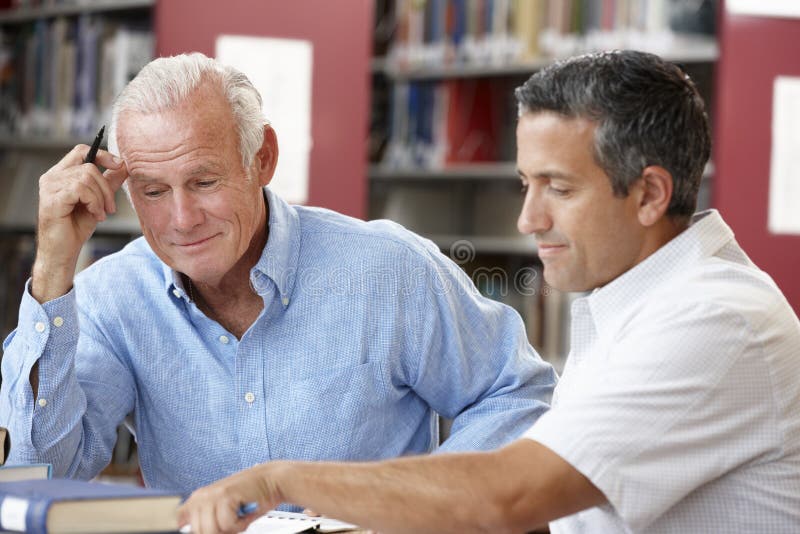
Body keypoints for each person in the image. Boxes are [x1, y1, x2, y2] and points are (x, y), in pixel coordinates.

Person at [178, 50, 800, 534]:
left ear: (649, 195)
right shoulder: (638, 303)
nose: (529, 220)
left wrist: (279, 480)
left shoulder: (715, 321)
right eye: (526, 185)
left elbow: (510, 495)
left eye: (558, 188)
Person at [0, 53, 557, 496]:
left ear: (261, 158)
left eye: (204, 182)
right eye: (152, 191)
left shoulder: (389, 272)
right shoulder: (112, 298)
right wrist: (52, 269)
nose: (181, 219)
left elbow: (514, 393)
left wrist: (417, 504)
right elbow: (42, 475)